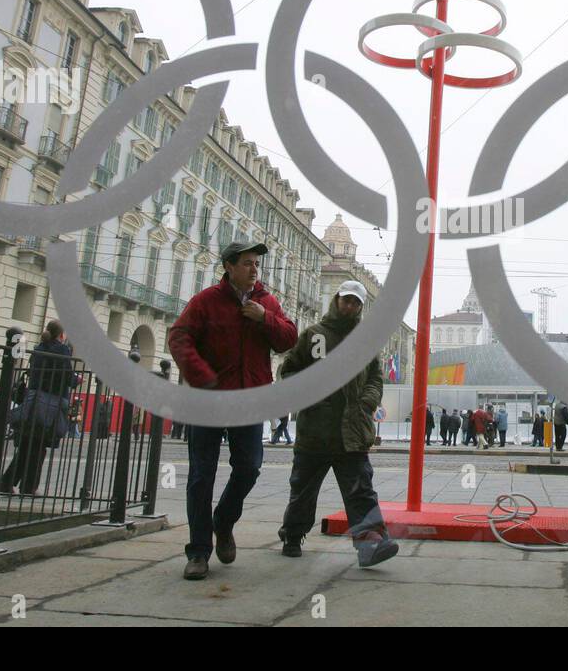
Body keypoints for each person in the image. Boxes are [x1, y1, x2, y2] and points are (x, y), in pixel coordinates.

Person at [169, 240, 298, 580]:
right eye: (246, 263)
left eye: (256, 263)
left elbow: (288, 339)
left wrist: (265, 318)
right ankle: (198, 552)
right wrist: (202, 379)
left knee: (249, 468)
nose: (254, 269)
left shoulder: (266, 302)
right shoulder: (205, 302)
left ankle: (223, 521)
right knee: (201, 476)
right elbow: (178, 337)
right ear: (228, 266)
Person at [278, 281, 398, 568]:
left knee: (361, 489)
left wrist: (366, 402)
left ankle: (371, 544)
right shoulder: (313, 335)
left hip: (352, 432)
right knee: (303, 490)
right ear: (337, 301)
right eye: (346, 300)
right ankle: (293, 535)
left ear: (360, 307)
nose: (350, 306)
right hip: (315, 431)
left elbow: (375, 379)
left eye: (356, 302)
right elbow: (289, 370)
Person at [1, 320, 76, 496]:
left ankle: (6, 483)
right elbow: (66, 376)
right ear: (61, 335)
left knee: (28, 445)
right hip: (51, 402)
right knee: (38, 447)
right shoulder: (62, 349)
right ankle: (29, 487)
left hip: (34, 399)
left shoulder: (38, 348)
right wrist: (76, 381)